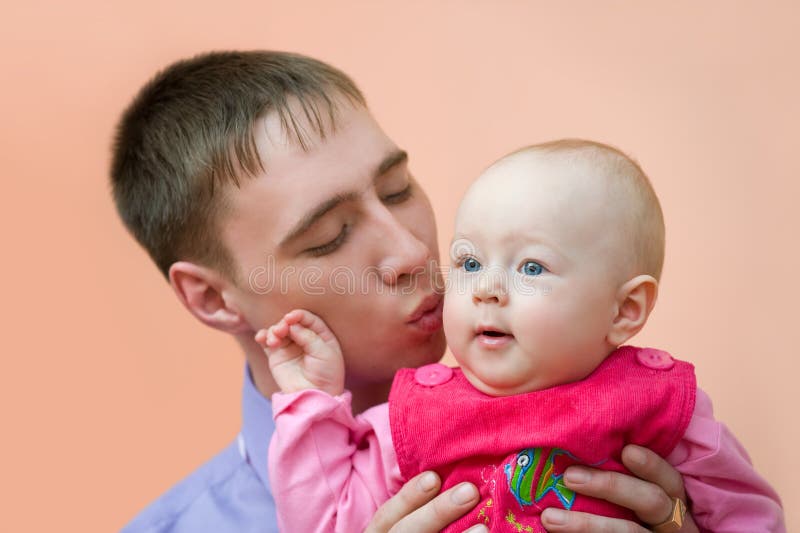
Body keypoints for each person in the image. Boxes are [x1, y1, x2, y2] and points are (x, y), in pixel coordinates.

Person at [113, 51, 707, 532]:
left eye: (397, 189)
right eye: (330, 236)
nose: (414, 253)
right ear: (213, 298)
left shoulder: (626, 425)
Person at [262, 140, 785, 532]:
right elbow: (327, 518)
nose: (486, 288)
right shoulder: (415, 417)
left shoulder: (661, 406)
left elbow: (751, 519)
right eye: (468, 261)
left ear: (624, 310)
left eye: (532, 268)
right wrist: (311, 402)